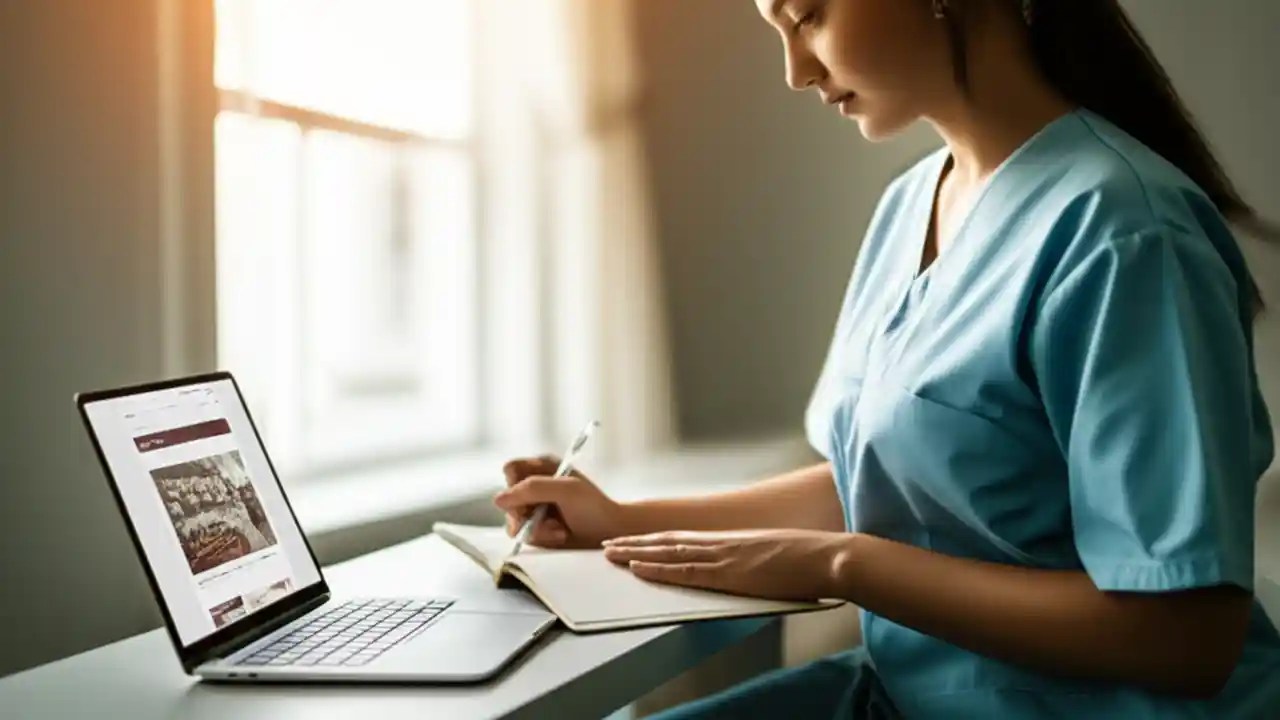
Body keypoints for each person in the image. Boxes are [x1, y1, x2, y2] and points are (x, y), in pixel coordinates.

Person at [495, 0, 1280, 717]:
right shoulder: (911, 203)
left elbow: (1184, 638)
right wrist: (621, 520)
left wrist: (845, 567)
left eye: (808, 17)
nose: (796, 72)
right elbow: (891, 483)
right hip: (906, 700)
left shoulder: (1125, 236)